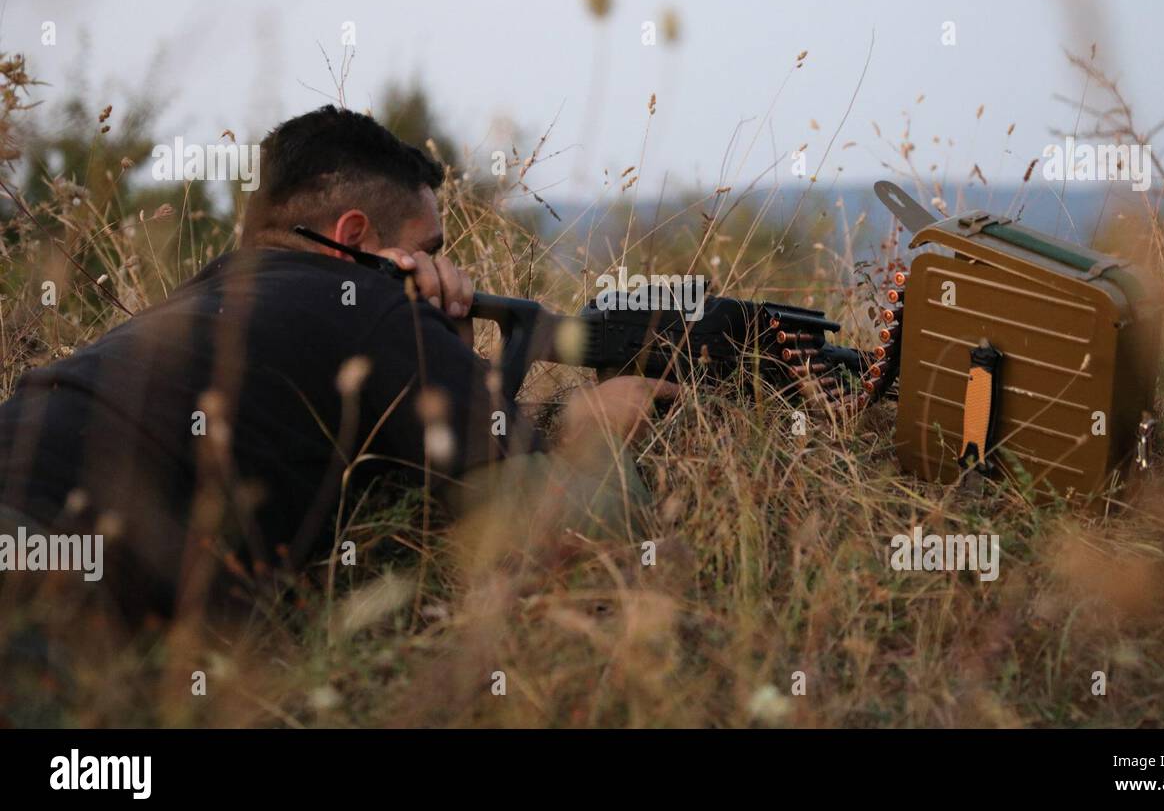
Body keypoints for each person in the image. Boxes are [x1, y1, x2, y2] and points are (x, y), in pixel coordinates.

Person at [0, 105, 675, 624]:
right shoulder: (368, 305)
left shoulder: (207, 302)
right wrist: (593, 432)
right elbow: (568, 534)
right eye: (428, 245)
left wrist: (450, 351)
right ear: (353, 236)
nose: (442, 266)